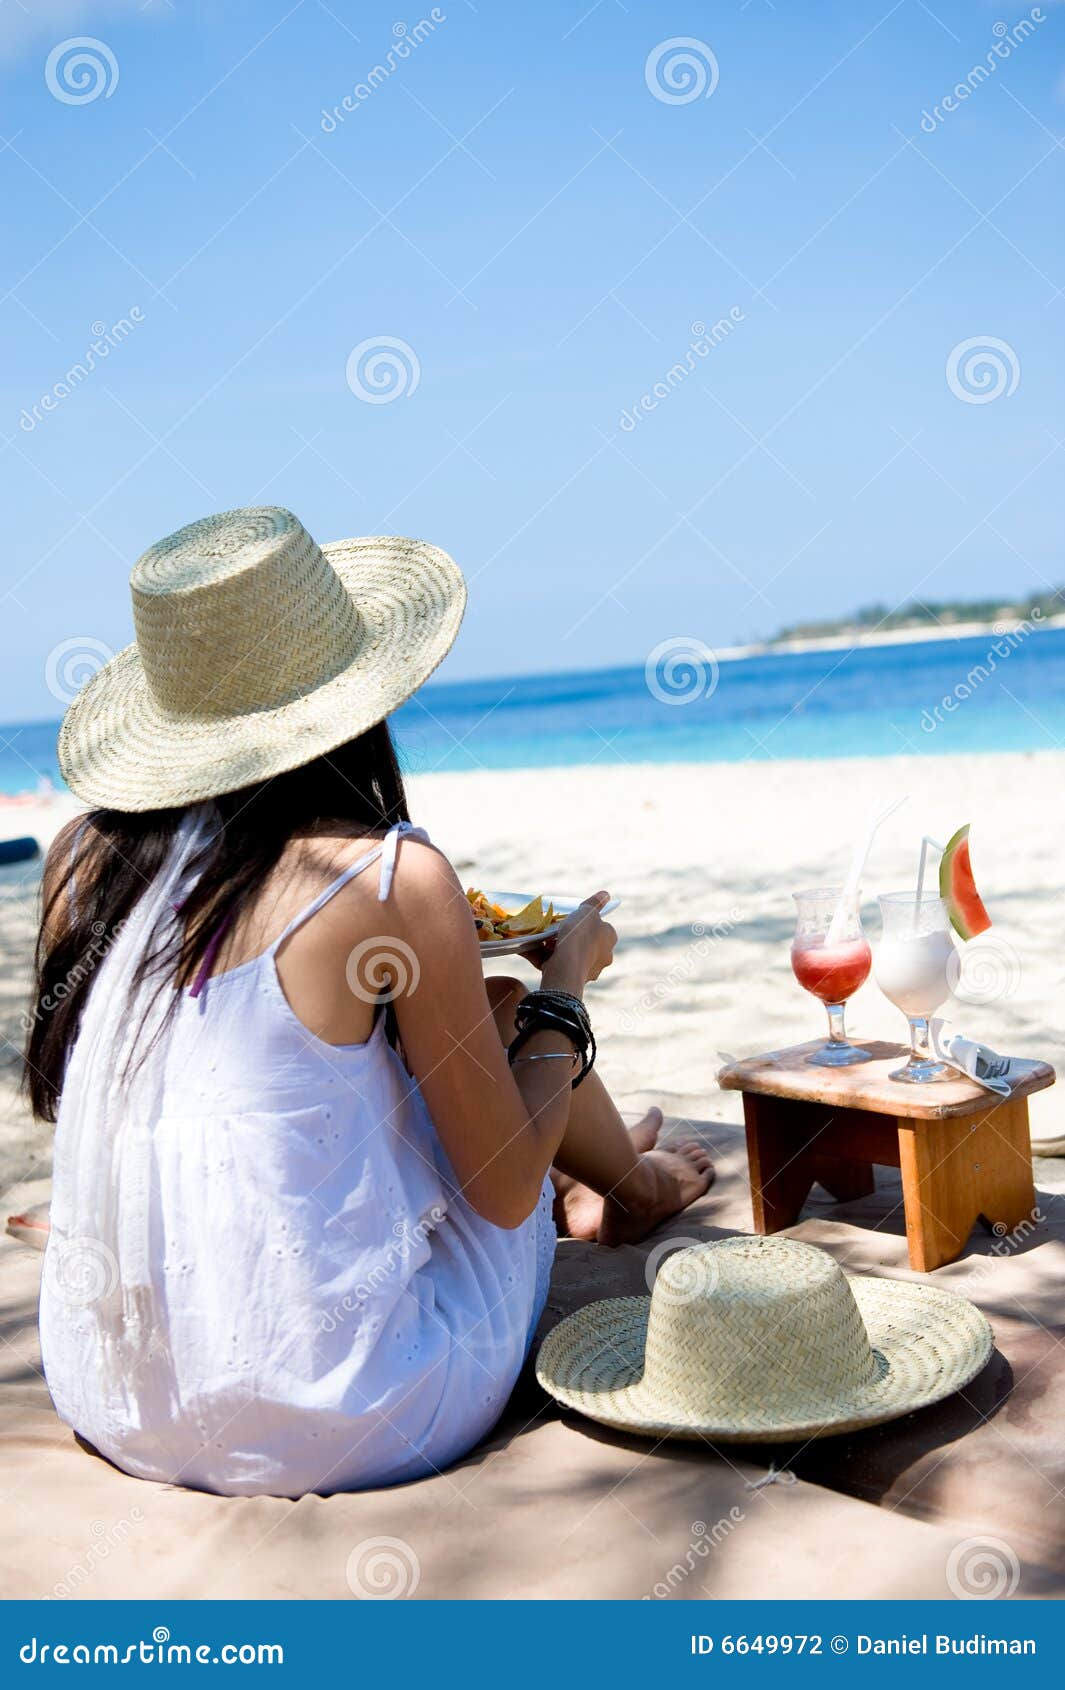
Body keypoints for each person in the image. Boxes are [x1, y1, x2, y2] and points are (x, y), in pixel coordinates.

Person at [28, 507, 713, 1498]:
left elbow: (88, 1091)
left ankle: (619, 1173)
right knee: (513, 1006)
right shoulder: (388, 877)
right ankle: (629, 1183)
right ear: (352, 693)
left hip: (118, 1396)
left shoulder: (83, 856)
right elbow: (499, 1192)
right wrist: (569, 978)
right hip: (349, 1410)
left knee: (470, 1006)